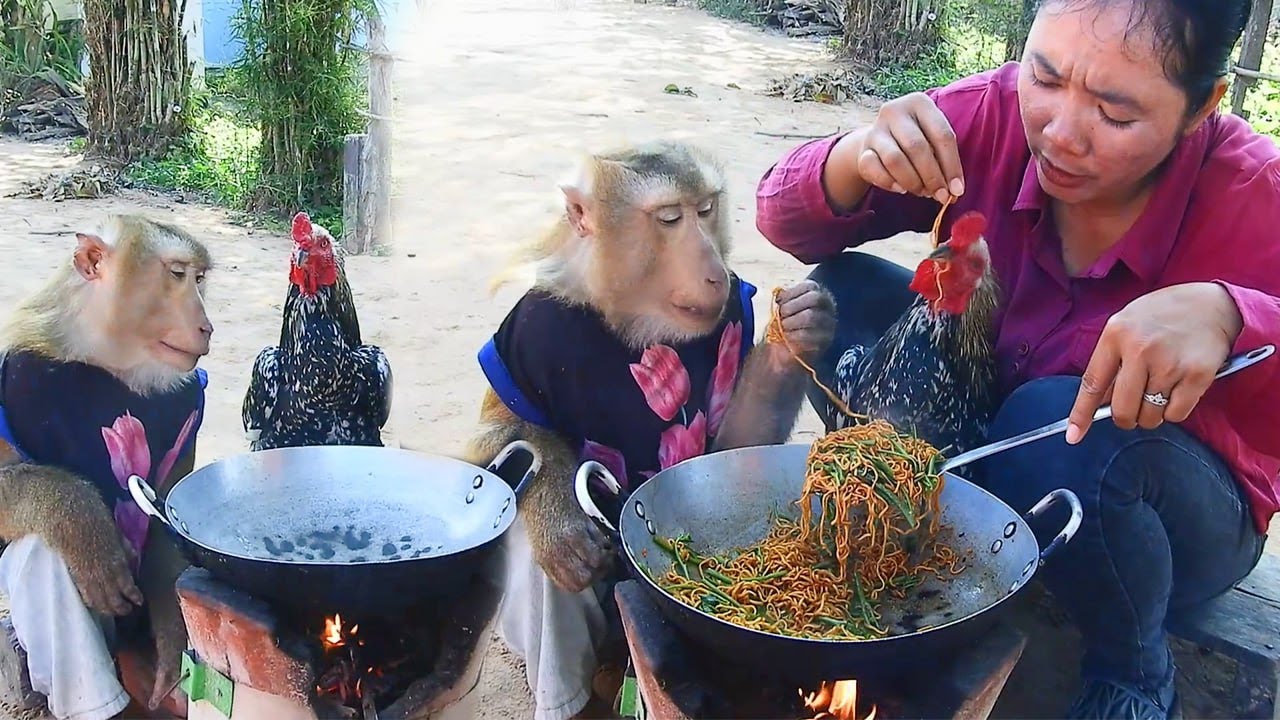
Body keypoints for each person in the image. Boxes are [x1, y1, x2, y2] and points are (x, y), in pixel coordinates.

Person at [754, 0, 1278, 718]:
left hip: (1153, 510)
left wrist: (1231, 313)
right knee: (840, 296)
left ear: (1203, 106)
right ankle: (890, 532)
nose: (1058, 133)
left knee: (1056, 425)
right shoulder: (993, 116)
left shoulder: (1254, 194)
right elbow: (780, 215)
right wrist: (856, 156)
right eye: (1045, 77)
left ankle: (1133, 673)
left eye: (1114, 114)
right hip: (993, 444)